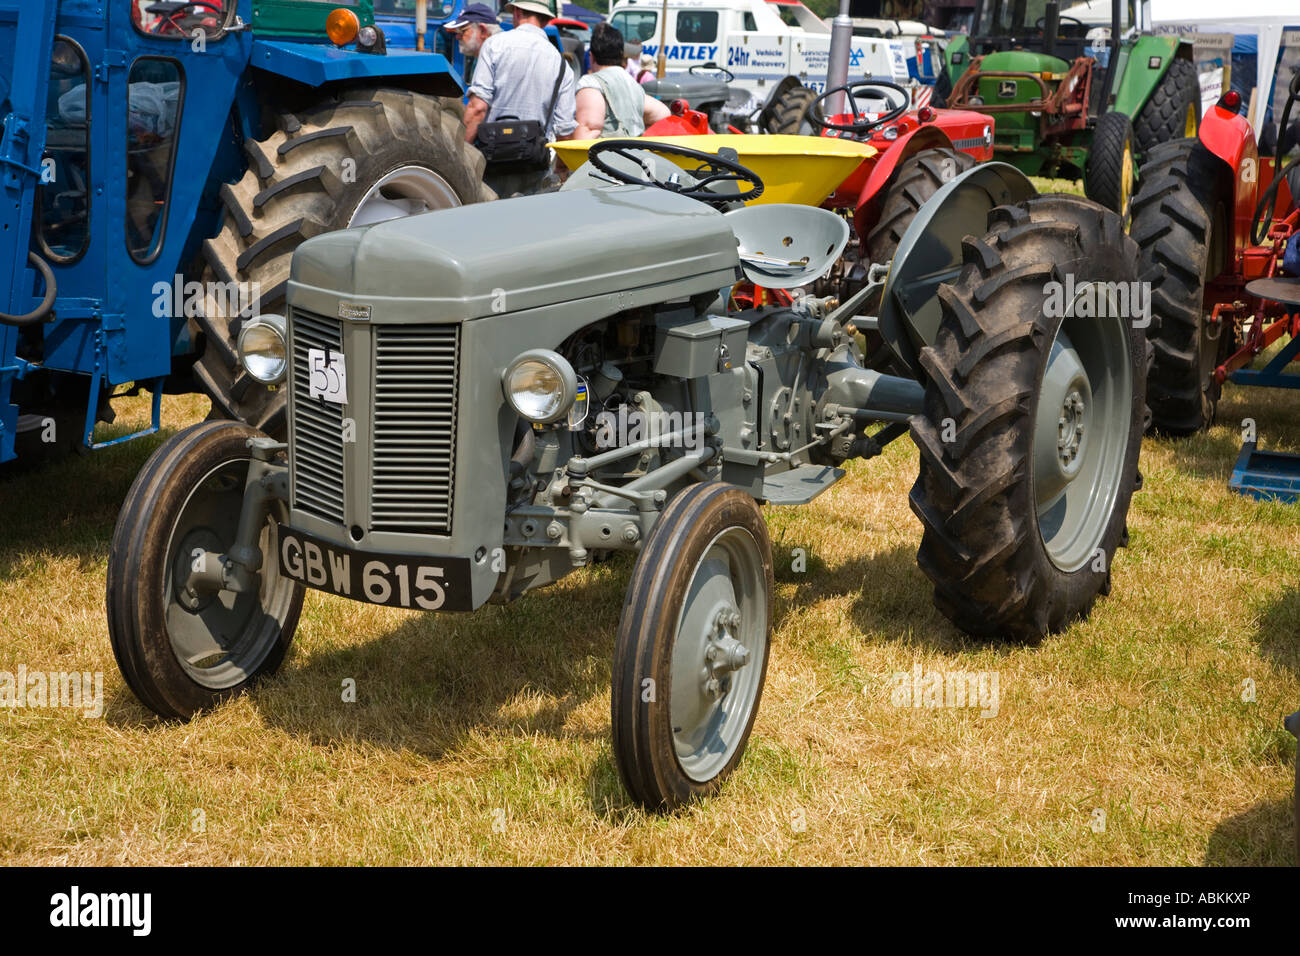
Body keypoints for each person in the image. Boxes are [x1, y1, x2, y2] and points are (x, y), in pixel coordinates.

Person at [463, 0, 577, 195]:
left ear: (516, 11)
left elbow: (477, 108)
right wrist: (561, 169)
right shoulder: (561, 64)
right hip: (533, 165)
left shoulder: (494, 45)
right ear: (545, 20)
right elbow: (564, 132)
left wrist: (460, 152)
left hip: (492, 161)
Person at [574, 23, 669, 138]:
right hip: (635, 154)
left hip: (602, 155)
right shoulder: (632, 82)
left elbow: (587, 130)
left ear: (591, 57)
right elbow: (662, 113)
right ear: (621, 55)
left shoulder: (591, 83)